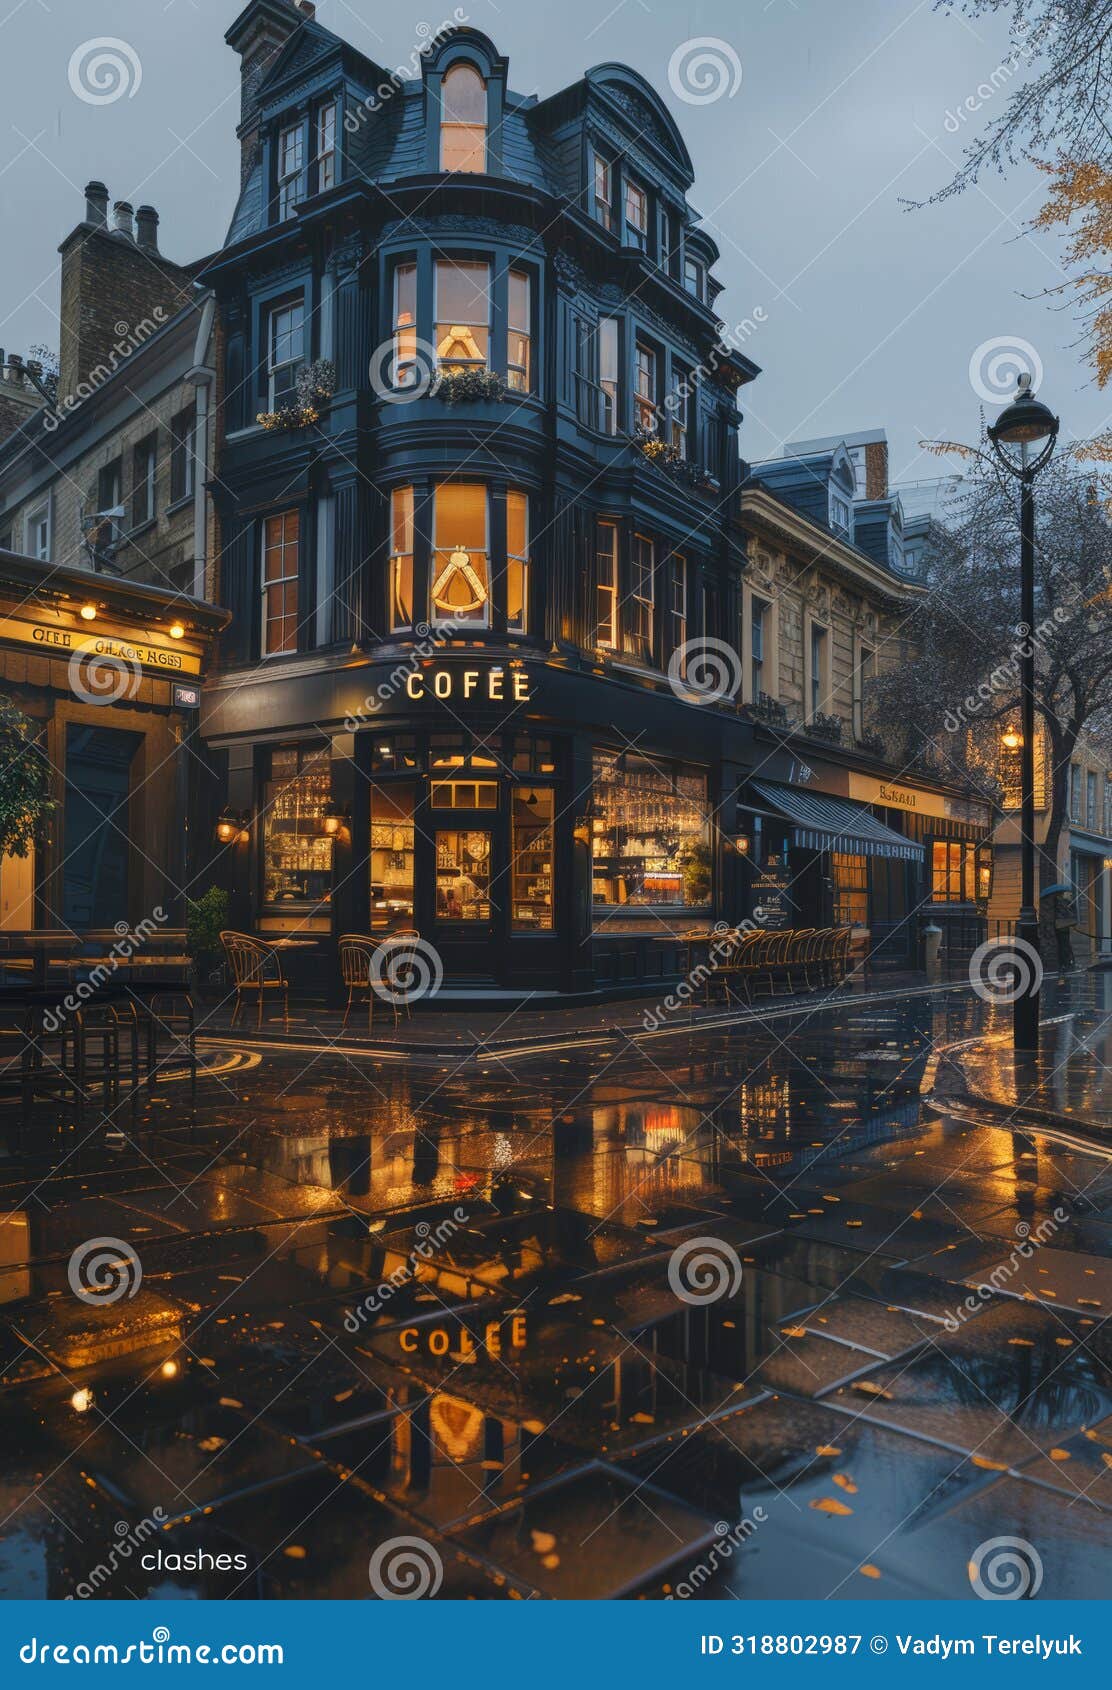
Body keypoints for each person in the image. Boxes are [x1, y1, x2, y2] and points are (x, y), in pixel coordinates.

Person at [1052, 888, 1077, 973]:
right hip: (1061, 928)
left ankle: (1066, 963)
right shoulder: (1058, 903)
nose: (1070, 894)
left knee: (1064, 946)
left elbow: (1072, 914)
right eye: (1068, 893)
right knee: (1063, 946)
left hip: (1062, 928)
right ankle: (1066, 964)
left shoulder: (1066, 903)